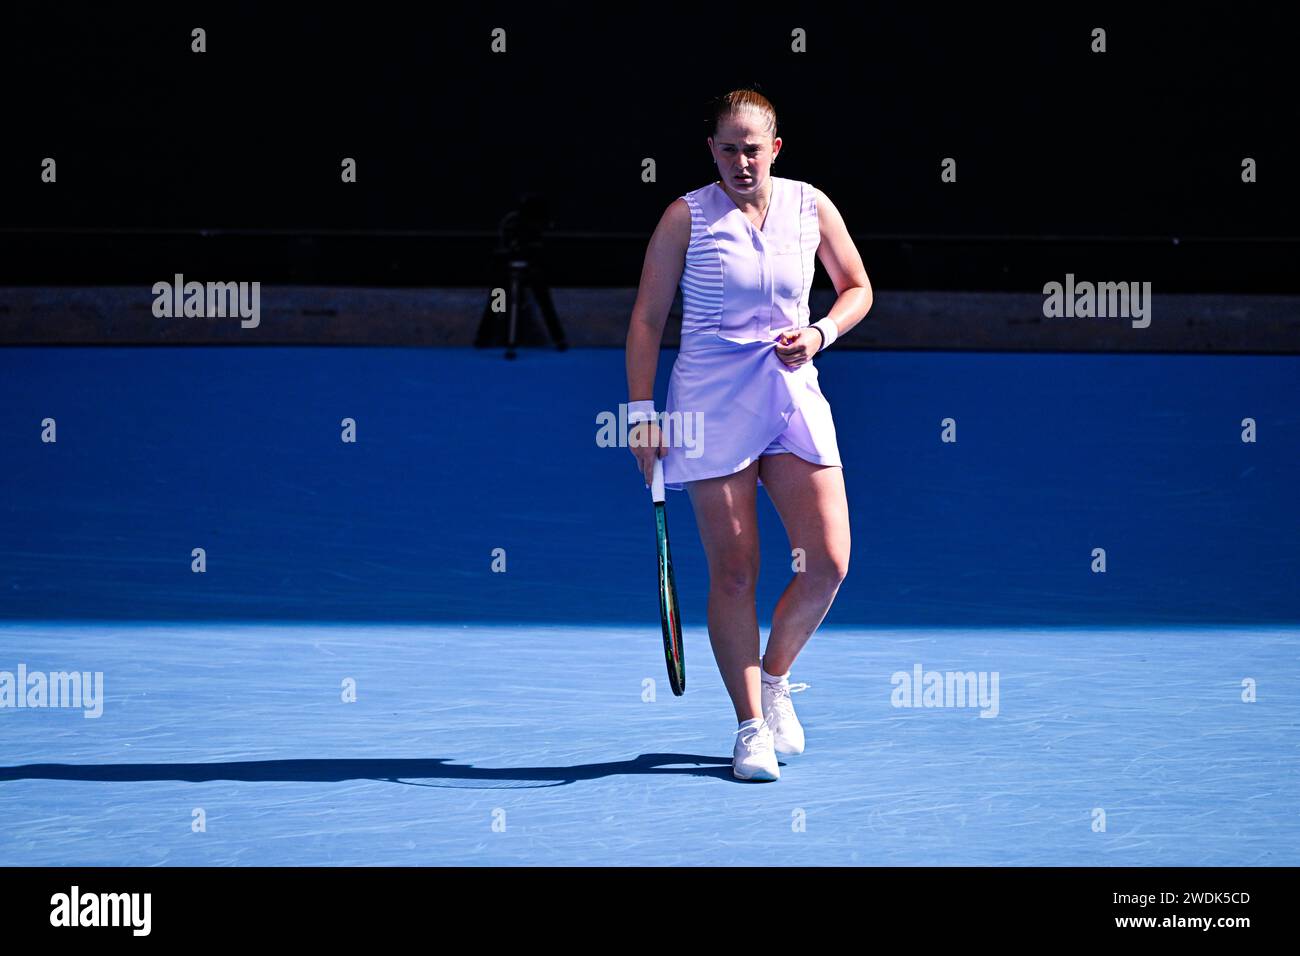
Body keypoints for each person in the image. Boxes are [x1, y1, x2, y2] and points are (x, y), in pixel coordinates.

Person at [625, 89, 873, 781]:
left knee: (828, 561)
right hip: (709, 406)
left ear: (776, 150)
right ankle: (750, 729)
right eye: (728, 148)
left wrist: (820, 332)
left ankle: (775, 675)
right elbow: (647, 319)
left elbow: (856, 287)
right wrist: (642, 413)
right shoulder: (685, 217)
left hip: (791, 396)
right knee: (735, 572)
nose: (741, 161)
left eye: (753, 149)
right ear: (712, 151)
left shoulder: (810, 205)